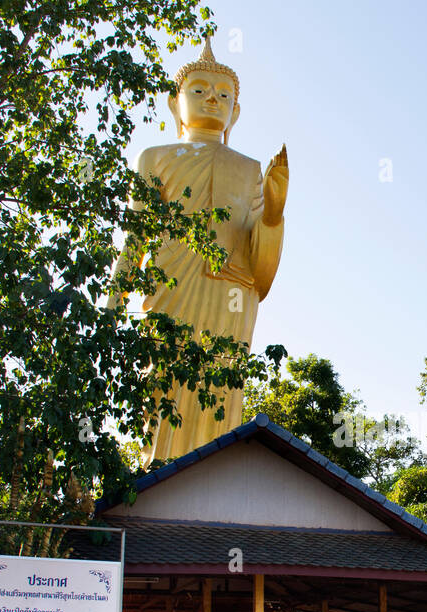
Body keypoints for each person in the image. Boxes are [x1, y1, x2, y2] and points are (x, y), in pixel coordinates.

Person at [106, 38, 287, 463]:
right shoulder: (154, 157)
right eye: (200, 89)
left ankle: (213, 469)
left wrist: (274, 212)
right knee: (164, 377)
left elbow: (259, 254)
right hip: (172, 282)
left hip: (231, 292)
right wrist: (117, 293)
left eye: (224, 95)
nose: (213, 99)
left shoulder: (249, 169)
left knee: (220, 381)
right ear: (174, 104)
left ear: (235, 113)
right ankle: (156, 469)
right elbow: (137, 233)